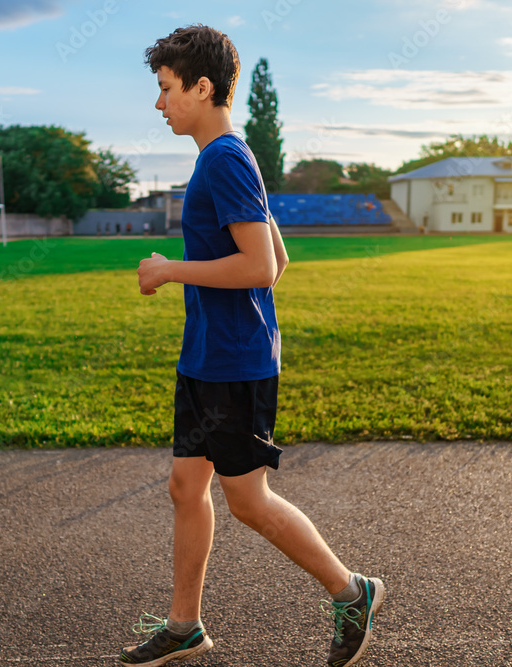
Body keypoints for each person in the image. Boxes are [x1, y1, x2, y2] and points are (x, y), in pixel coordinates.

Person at [127, 24, 384, 667]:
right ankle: (186, 624)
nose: (159, 104)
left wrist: (171, 269)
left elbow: (263, 267)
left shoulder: (226, 159)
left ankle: (351, 591)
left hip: (234, 365)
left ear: (202, 85)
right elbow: (281, 255)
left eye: (165, 89)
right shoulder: (226, 155)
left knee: (247, 500)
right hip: (208, 356)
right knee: (187, 487)